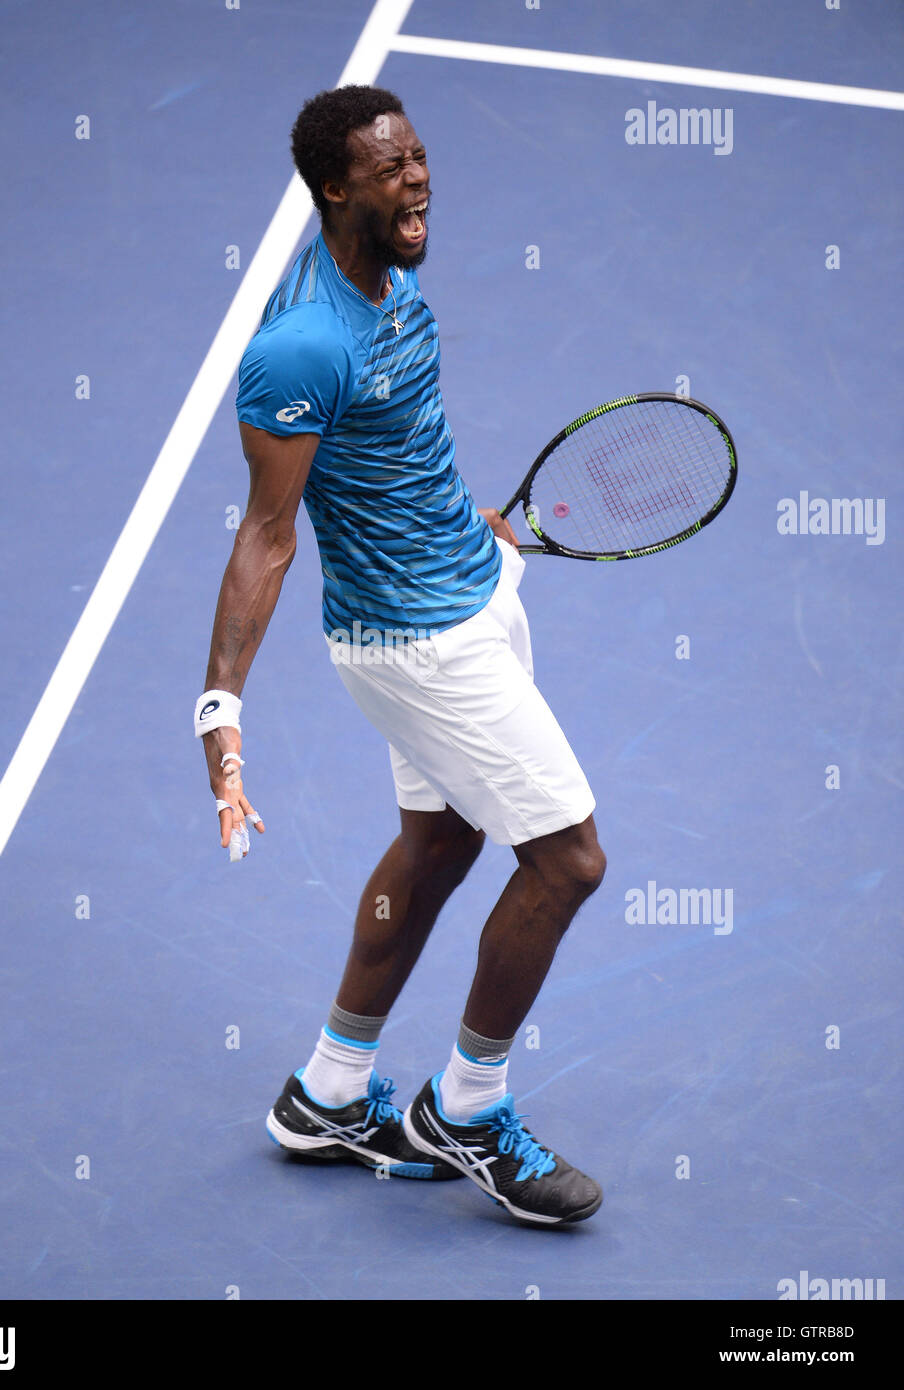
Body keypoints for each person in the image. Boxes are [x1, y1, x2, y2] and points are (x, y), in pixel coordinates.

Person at [196, 85, 606, 1225]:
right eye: (390, 170)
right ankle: (467, 1107)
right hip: (415, 645)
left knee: (437, 842)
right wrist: (219, 712)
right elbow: (266, 536)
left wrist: (463, 523)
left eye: (419, 157)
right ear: (337, 189)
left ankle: (326, 1091)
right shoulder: (298, 347)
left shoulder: (393, 268)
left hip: (472, 590)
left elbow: (396, 439)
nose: (417, 181)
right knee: (567, 860)